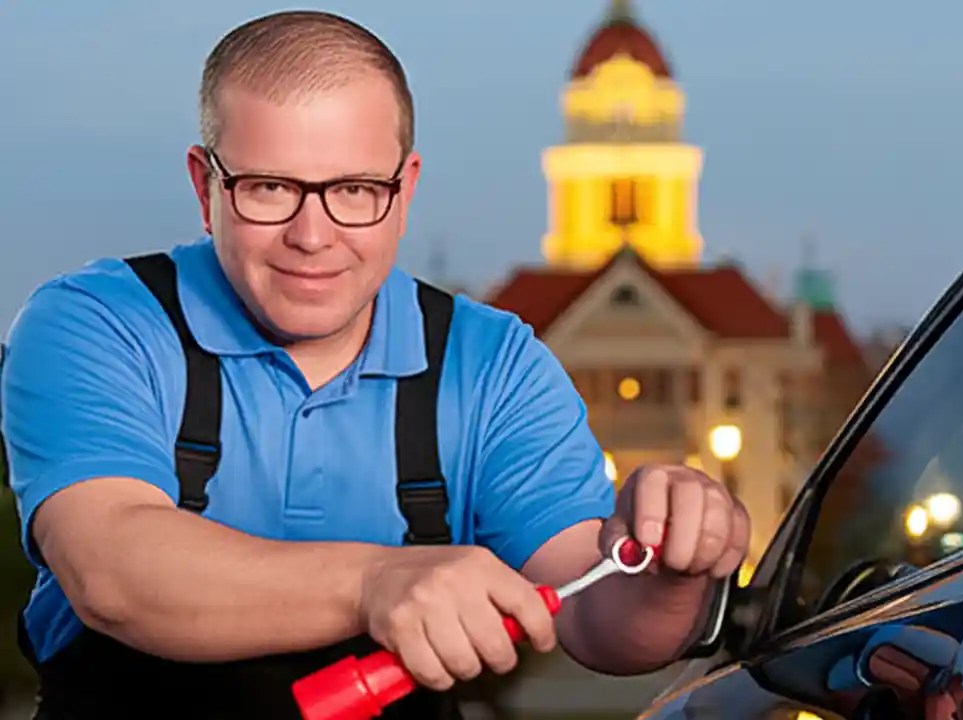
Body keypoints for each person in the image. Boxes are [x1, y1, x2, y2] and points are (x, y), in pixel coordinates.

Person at [0, 9, 749, 719]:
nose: (313, 235)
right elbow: (114, 574)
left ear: (406, 188)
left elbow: (595, 619)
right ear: (207, 187)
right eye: (270, 188)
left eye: (355, 190)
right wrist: (376, 582)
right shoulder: (97, 324)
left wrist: (666, 569)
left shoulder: (492, 363)